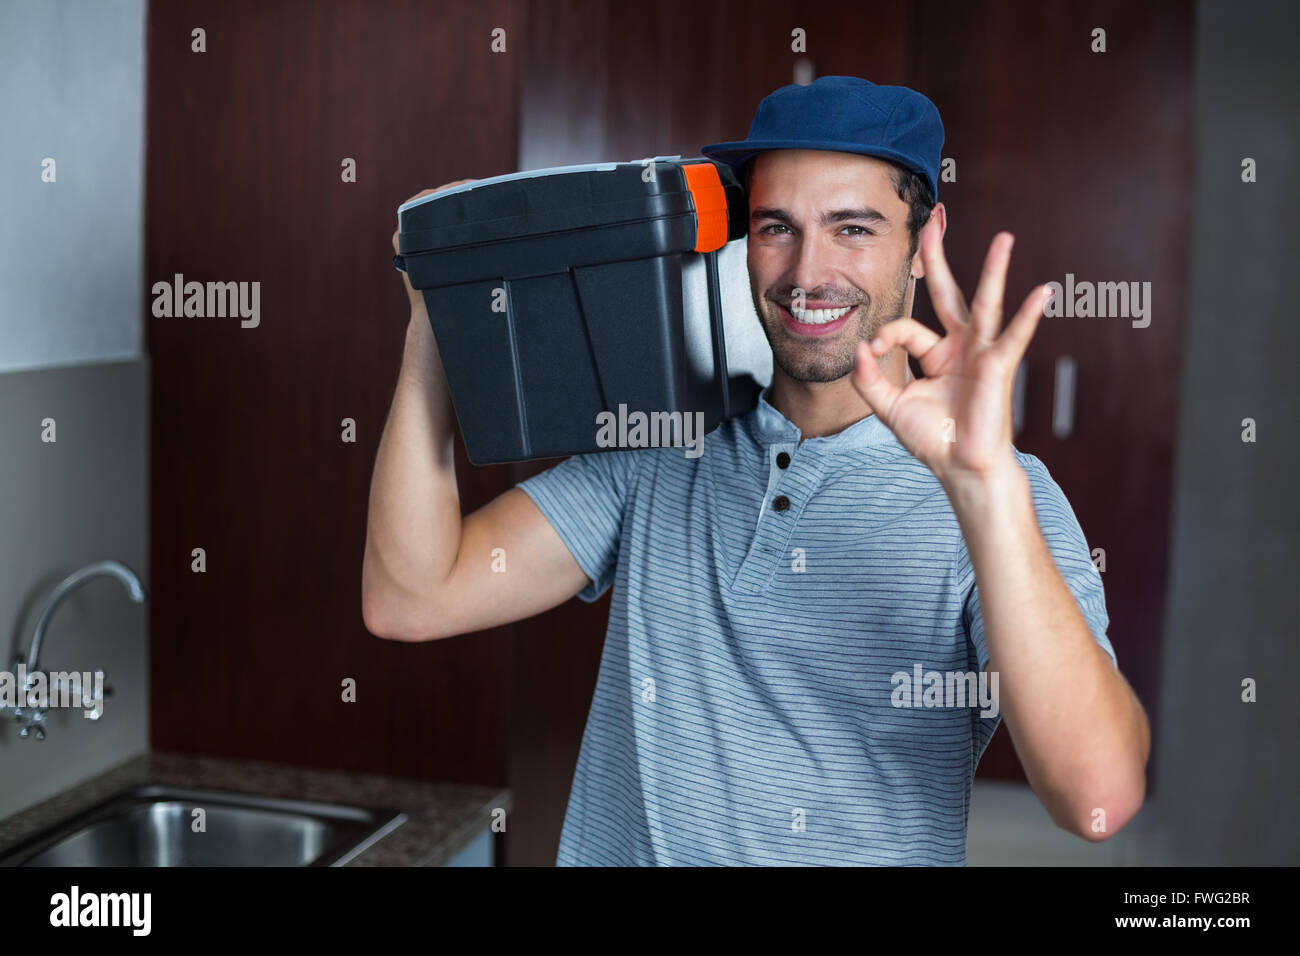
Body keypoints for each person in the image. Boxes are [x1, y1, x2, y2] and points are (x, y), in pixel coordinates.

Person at [362, 76, 1150, 866]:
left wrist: (983, 488)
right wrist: (438, 311)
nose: (808, 272)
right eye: (778, 226)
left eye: (853, 228)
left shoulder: (1003, 496)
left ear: (925, 237)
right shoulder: (662, 441)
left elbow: (1097, 797)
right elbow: (411, 597)